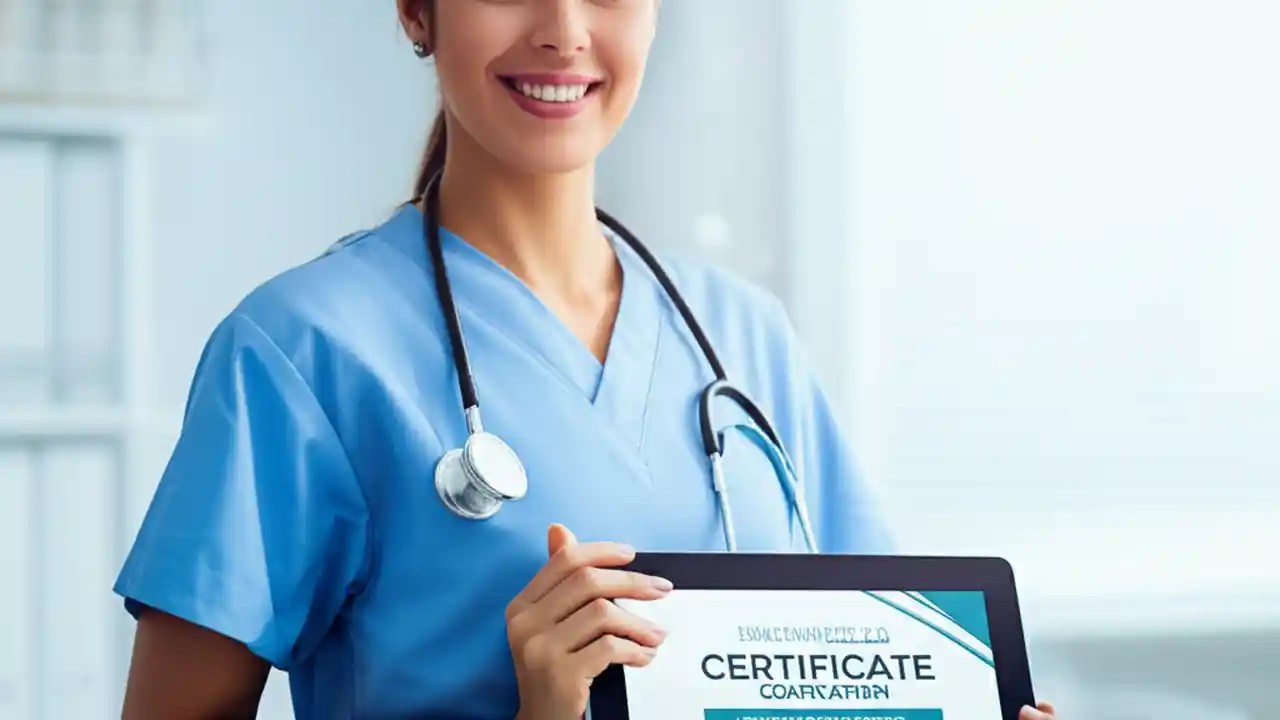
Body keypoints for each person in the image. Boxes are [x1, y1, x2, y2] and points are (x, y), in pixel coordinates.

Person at [114, 1, 1061, 718]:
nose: (564, 31)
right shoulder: (303, 353)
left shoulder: (745, 336)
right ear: (415, 9)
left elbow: (890, 678)